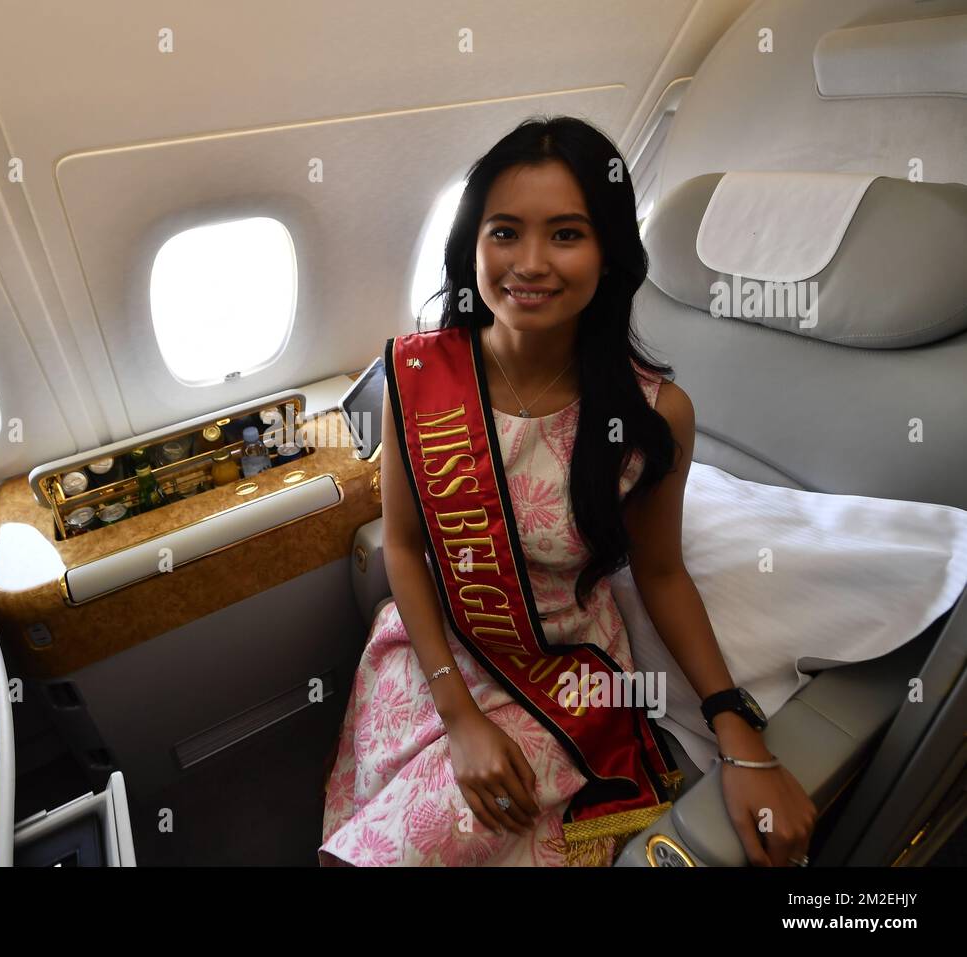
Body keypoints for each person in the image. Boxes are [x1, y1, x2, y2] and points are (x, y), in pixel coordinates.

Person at [318, 115, 817, 867]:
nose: (530, 263)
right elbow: (403, 546)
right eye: (505, 232)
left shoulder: (653, 414)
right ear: (472, 243)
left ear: (609, 249)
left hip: (561, 675)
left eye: (566, 234)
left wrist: (735, 731)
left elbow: (660, 572)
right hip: (434, 653)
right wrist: (457, 713)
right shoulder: (417, 378)